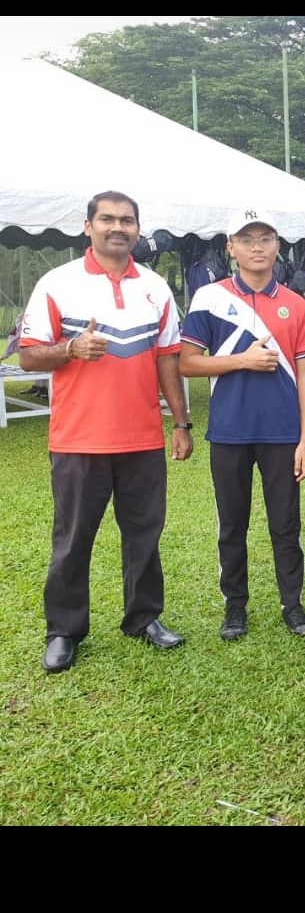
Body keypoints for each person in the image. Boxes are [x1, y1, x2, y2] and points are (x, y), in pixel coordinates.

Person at [18, 189, 192, 673]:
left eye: (128, 221)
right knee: (73, 540)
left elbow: (168, 360)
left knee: (144, 535)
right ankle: (64, 630)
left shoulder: (156, 287)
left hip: (142, 439)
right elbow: (29, 354)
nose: (119, 228)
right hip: (78, 440)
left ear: (138, 229)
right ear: (88, 226)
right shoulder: (59, 282)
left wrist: (180, 423)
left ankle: (144, 618)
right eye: (108, 219)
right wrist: (71, 348)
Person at [179, 208, 305, 640]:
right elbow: (187, 363)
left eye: (265, 239)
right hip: (229, 431)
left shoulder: (295, 305)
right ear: (231, 247)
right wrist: (242, 360)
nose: (256, 247)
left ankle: (292, 605)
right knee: (233, 523)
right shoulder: (209, 298)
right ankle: (235, 607)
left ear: (278, 246)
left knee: (286, 524)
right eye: (247, 239)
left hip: (281, 434)